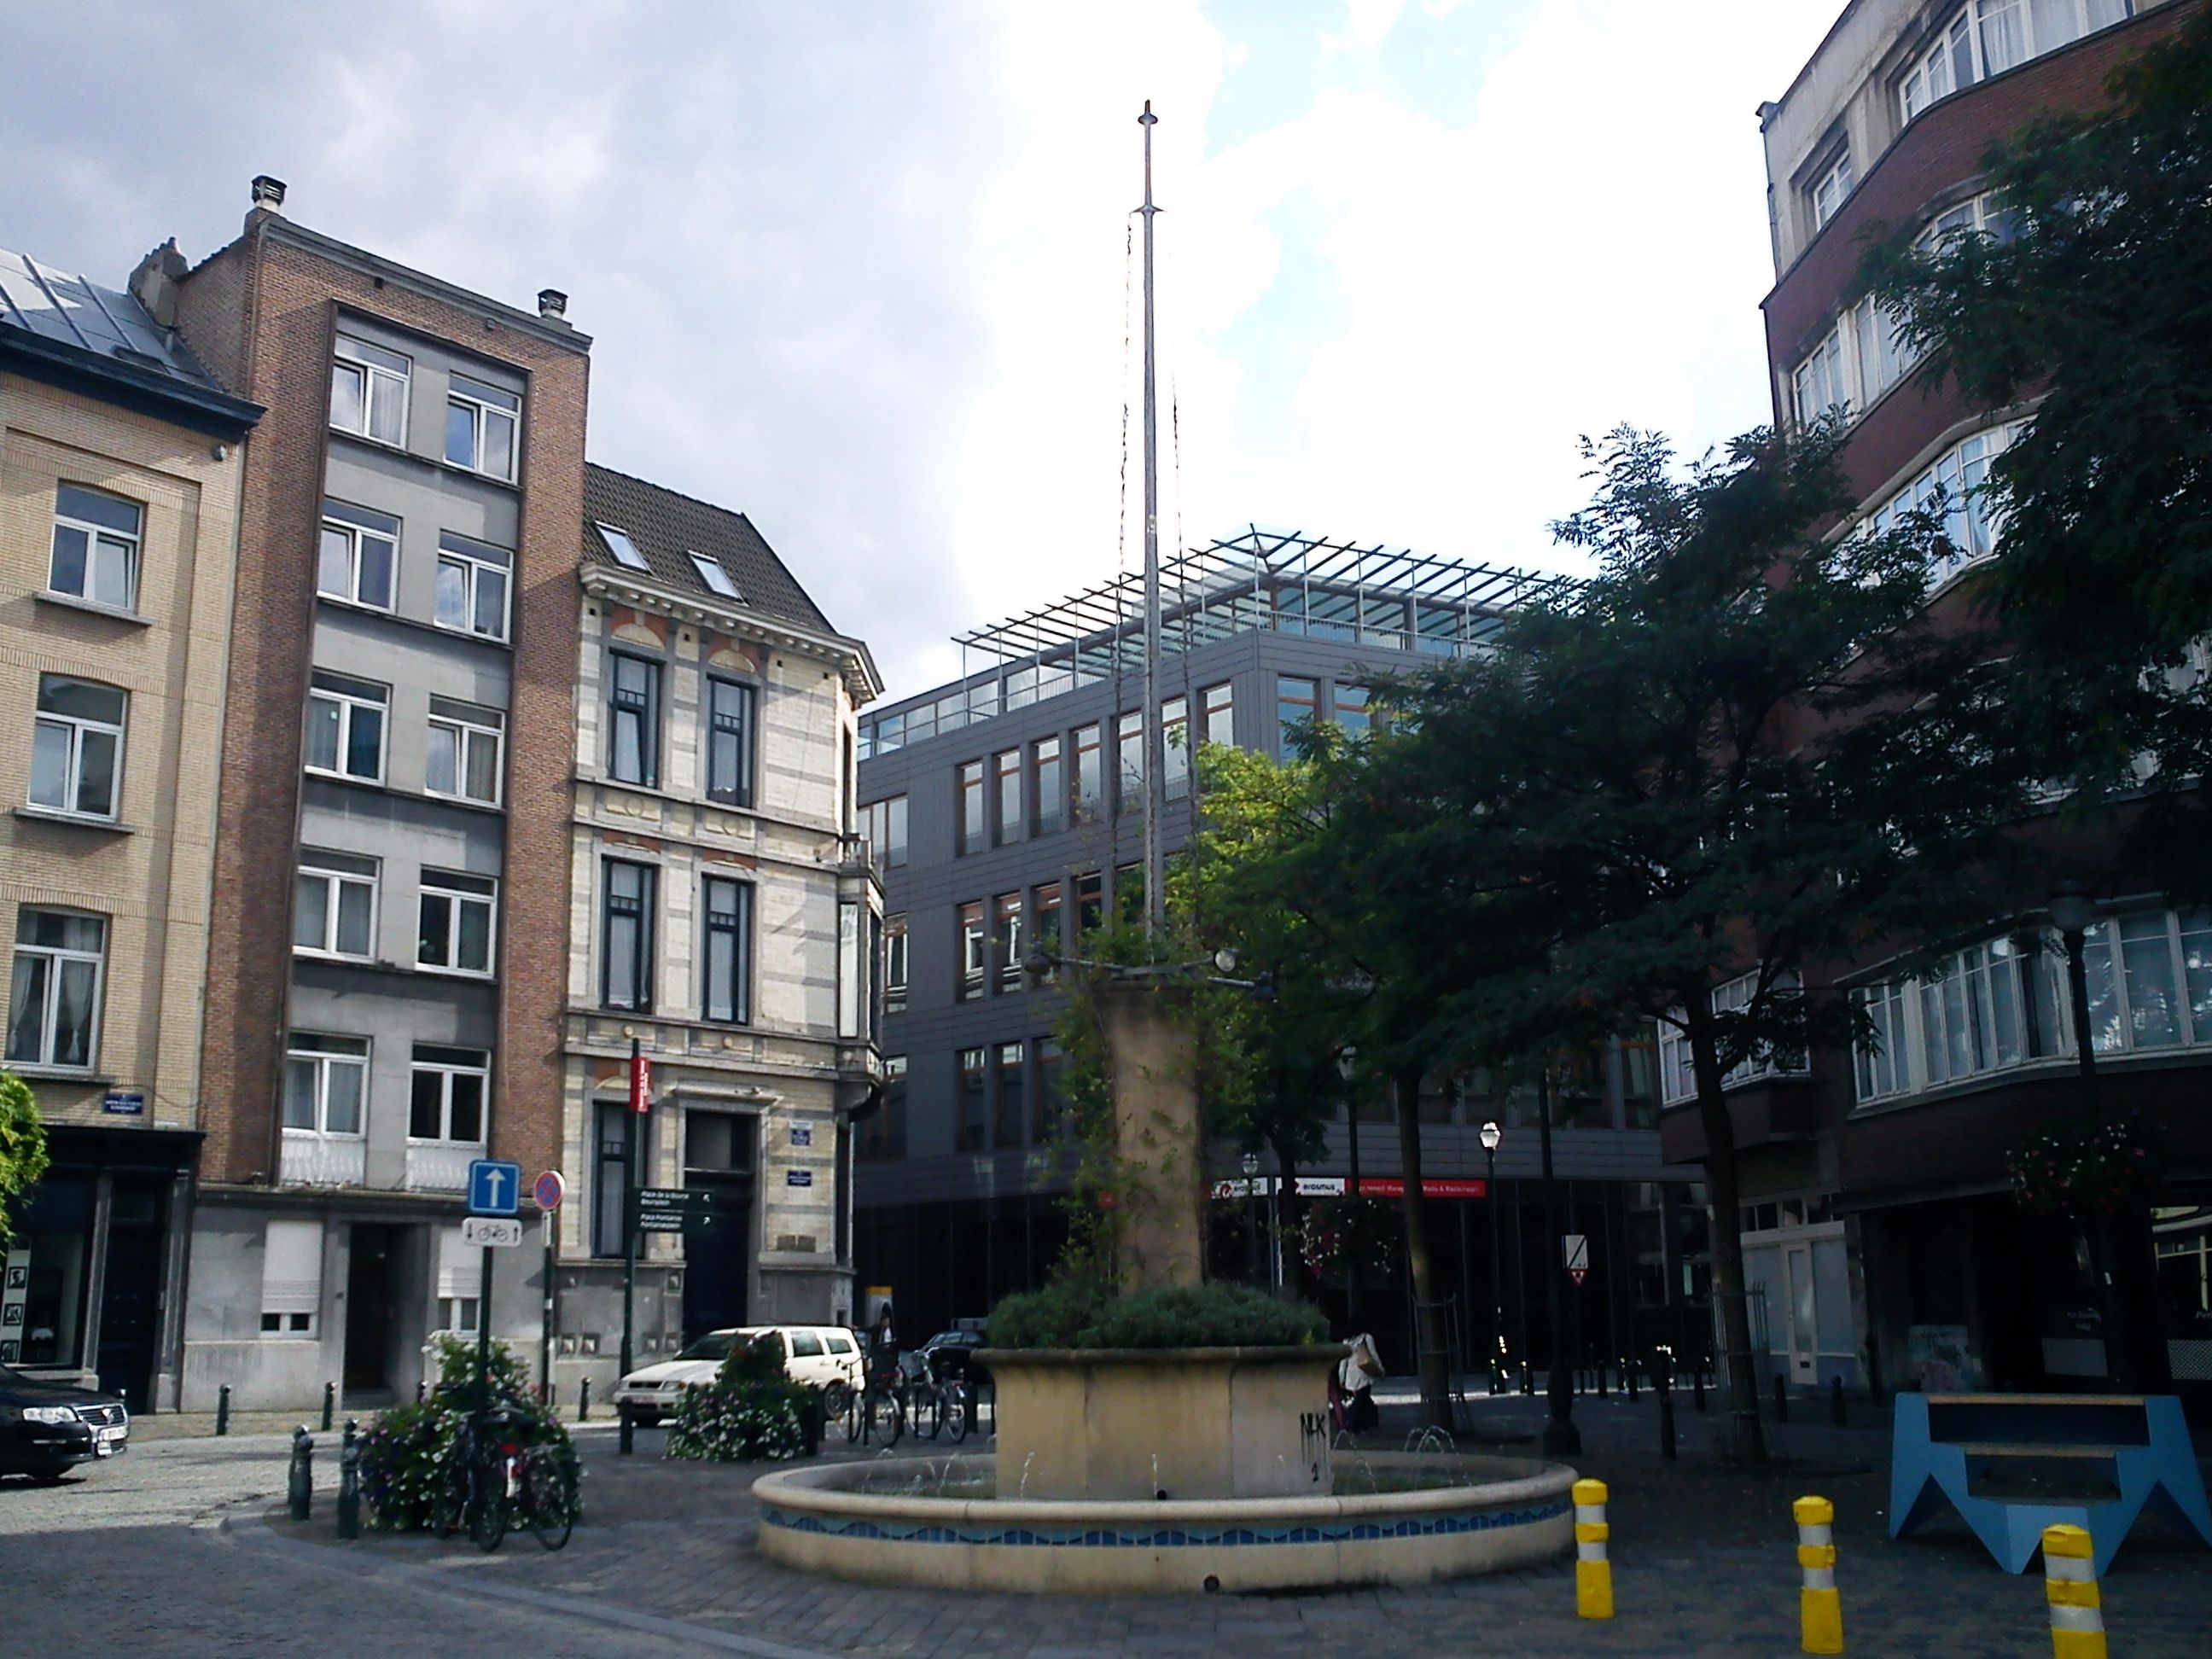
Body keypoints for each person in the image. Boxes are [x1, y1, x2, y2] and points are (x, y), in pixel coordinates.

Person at [1339, 1331, 1383, 1435]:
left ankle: (1362, 1425)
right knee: (1361, 1400)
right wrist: (1380, 1369)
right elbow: (1373, 1354)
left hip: (1351, 1375)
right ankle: (1354, 1424)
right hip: (1364, 1373)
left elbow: (1343, 1361)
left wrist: (1341, 1377)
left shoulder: (1347, 1341)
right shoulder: (1367, 1338)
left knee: (1362, 1400)